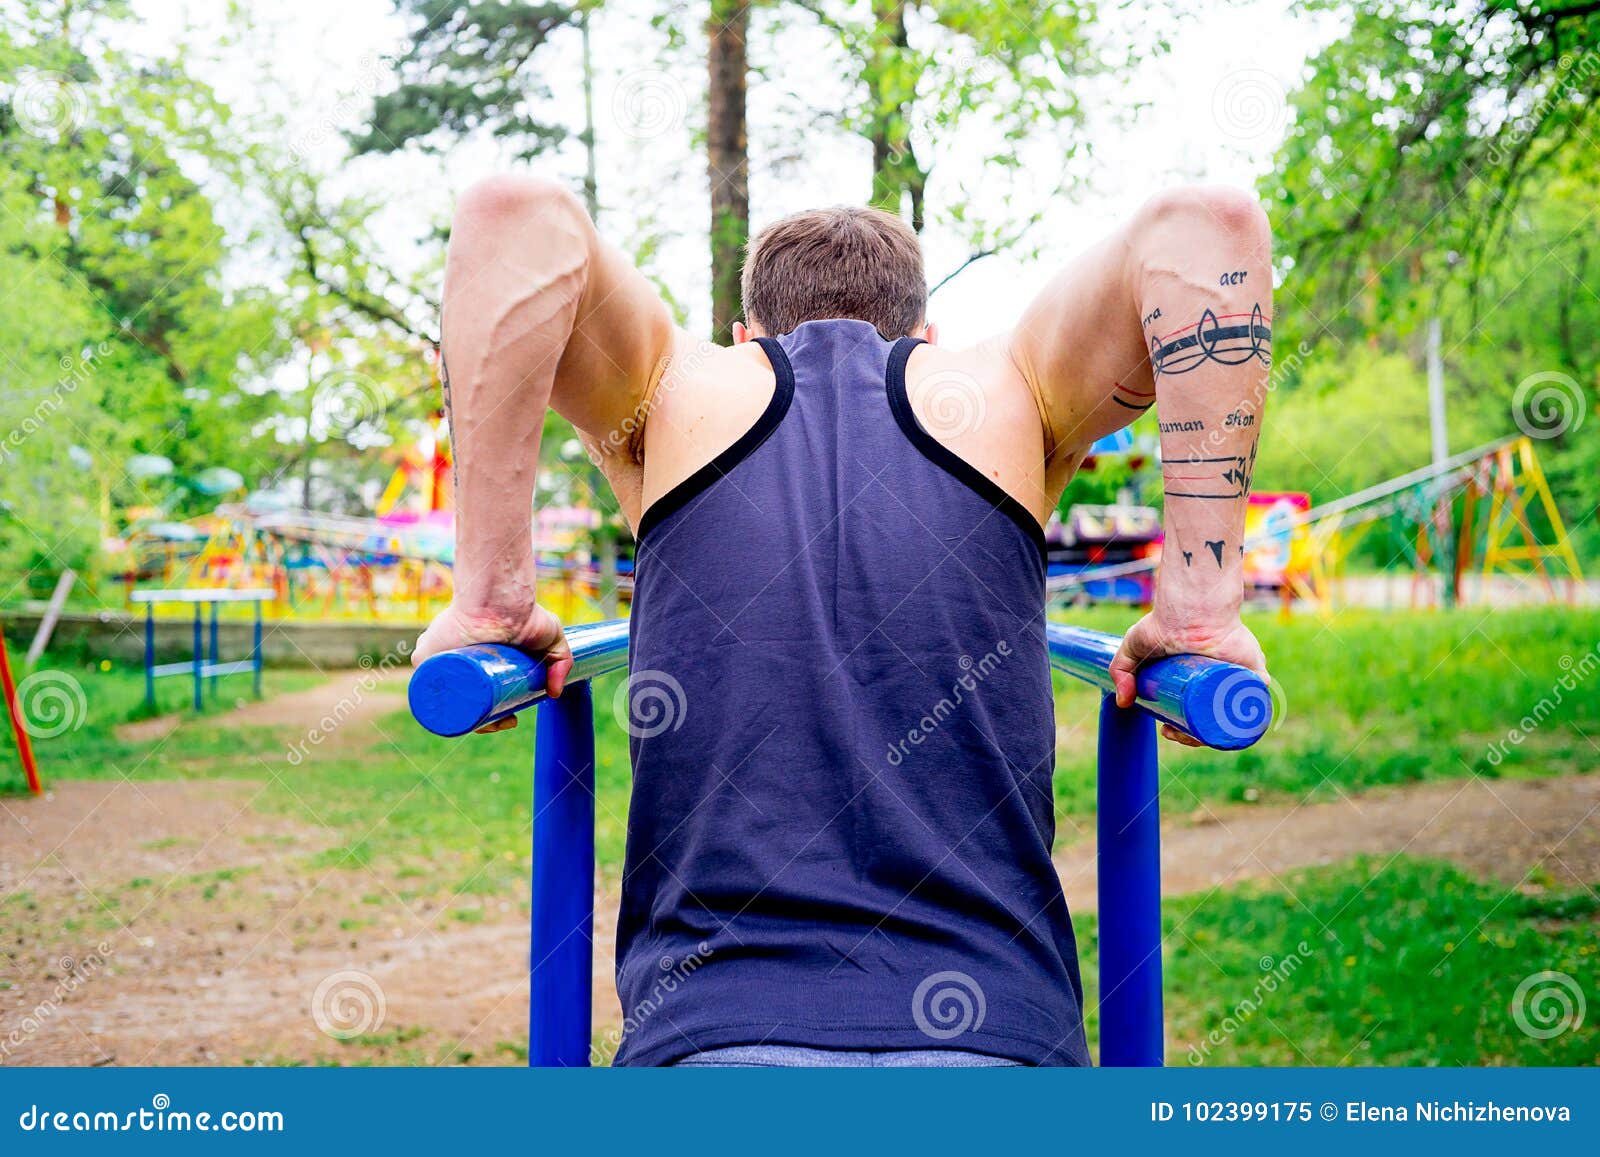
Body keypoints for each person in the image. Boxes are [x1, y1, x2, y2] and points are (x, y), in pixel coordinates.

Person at [413, 178, 1271, 1067]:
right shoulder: (1009, 393)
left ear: (745, 340)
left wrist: (492, 598)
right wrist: (1199, 614)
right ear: (928, 340)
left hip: (715, 1031)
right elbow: (1210, 223)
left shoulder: (675, 391)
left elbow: (510, 213)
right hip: (996, 1033)